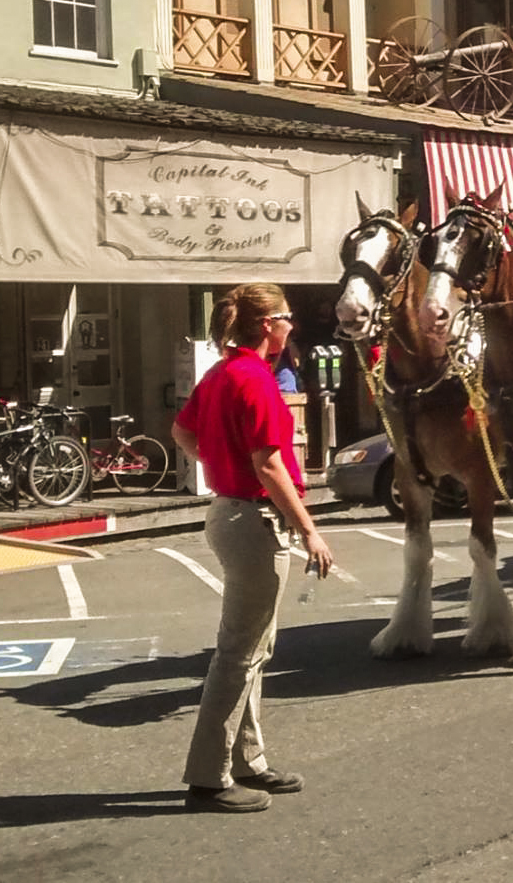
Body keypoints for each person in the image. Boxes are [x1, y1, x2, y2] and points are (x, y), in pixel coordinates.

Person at [172, 283, 334, 814]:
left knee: (253, 648)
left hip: (229, 511)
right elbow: (270, 465)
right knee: (240, 652)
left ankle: (248, 760)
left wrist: (219, 467)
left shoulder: (223, 373)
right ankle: (209, 776)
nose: (292, 326)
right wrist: (309, 529)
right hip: (253, 518)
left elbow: (181, 430)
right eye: (287, 317)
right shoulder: (256, 380)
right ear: (268, 326)